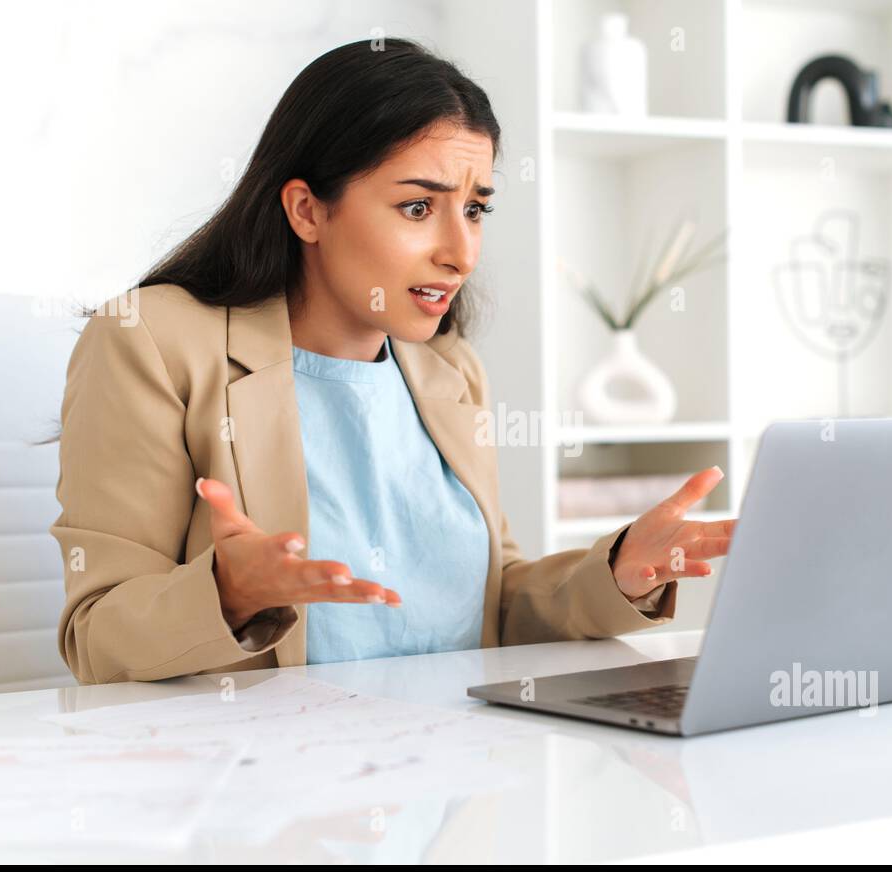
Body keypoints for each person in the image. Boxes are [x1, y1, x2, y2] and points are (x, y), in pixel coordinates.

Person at [49, 37, 735, 685]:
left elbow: (494, 606)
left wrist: (617, 574)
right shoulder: (151, 342)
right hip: (268, 789)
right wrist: (226, 595)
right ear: (307, 211)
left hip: (453, 781)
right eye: (417, 207)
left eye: (474, 209)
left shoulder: (449, 369)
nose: (460, 252)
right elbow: (95, 637)